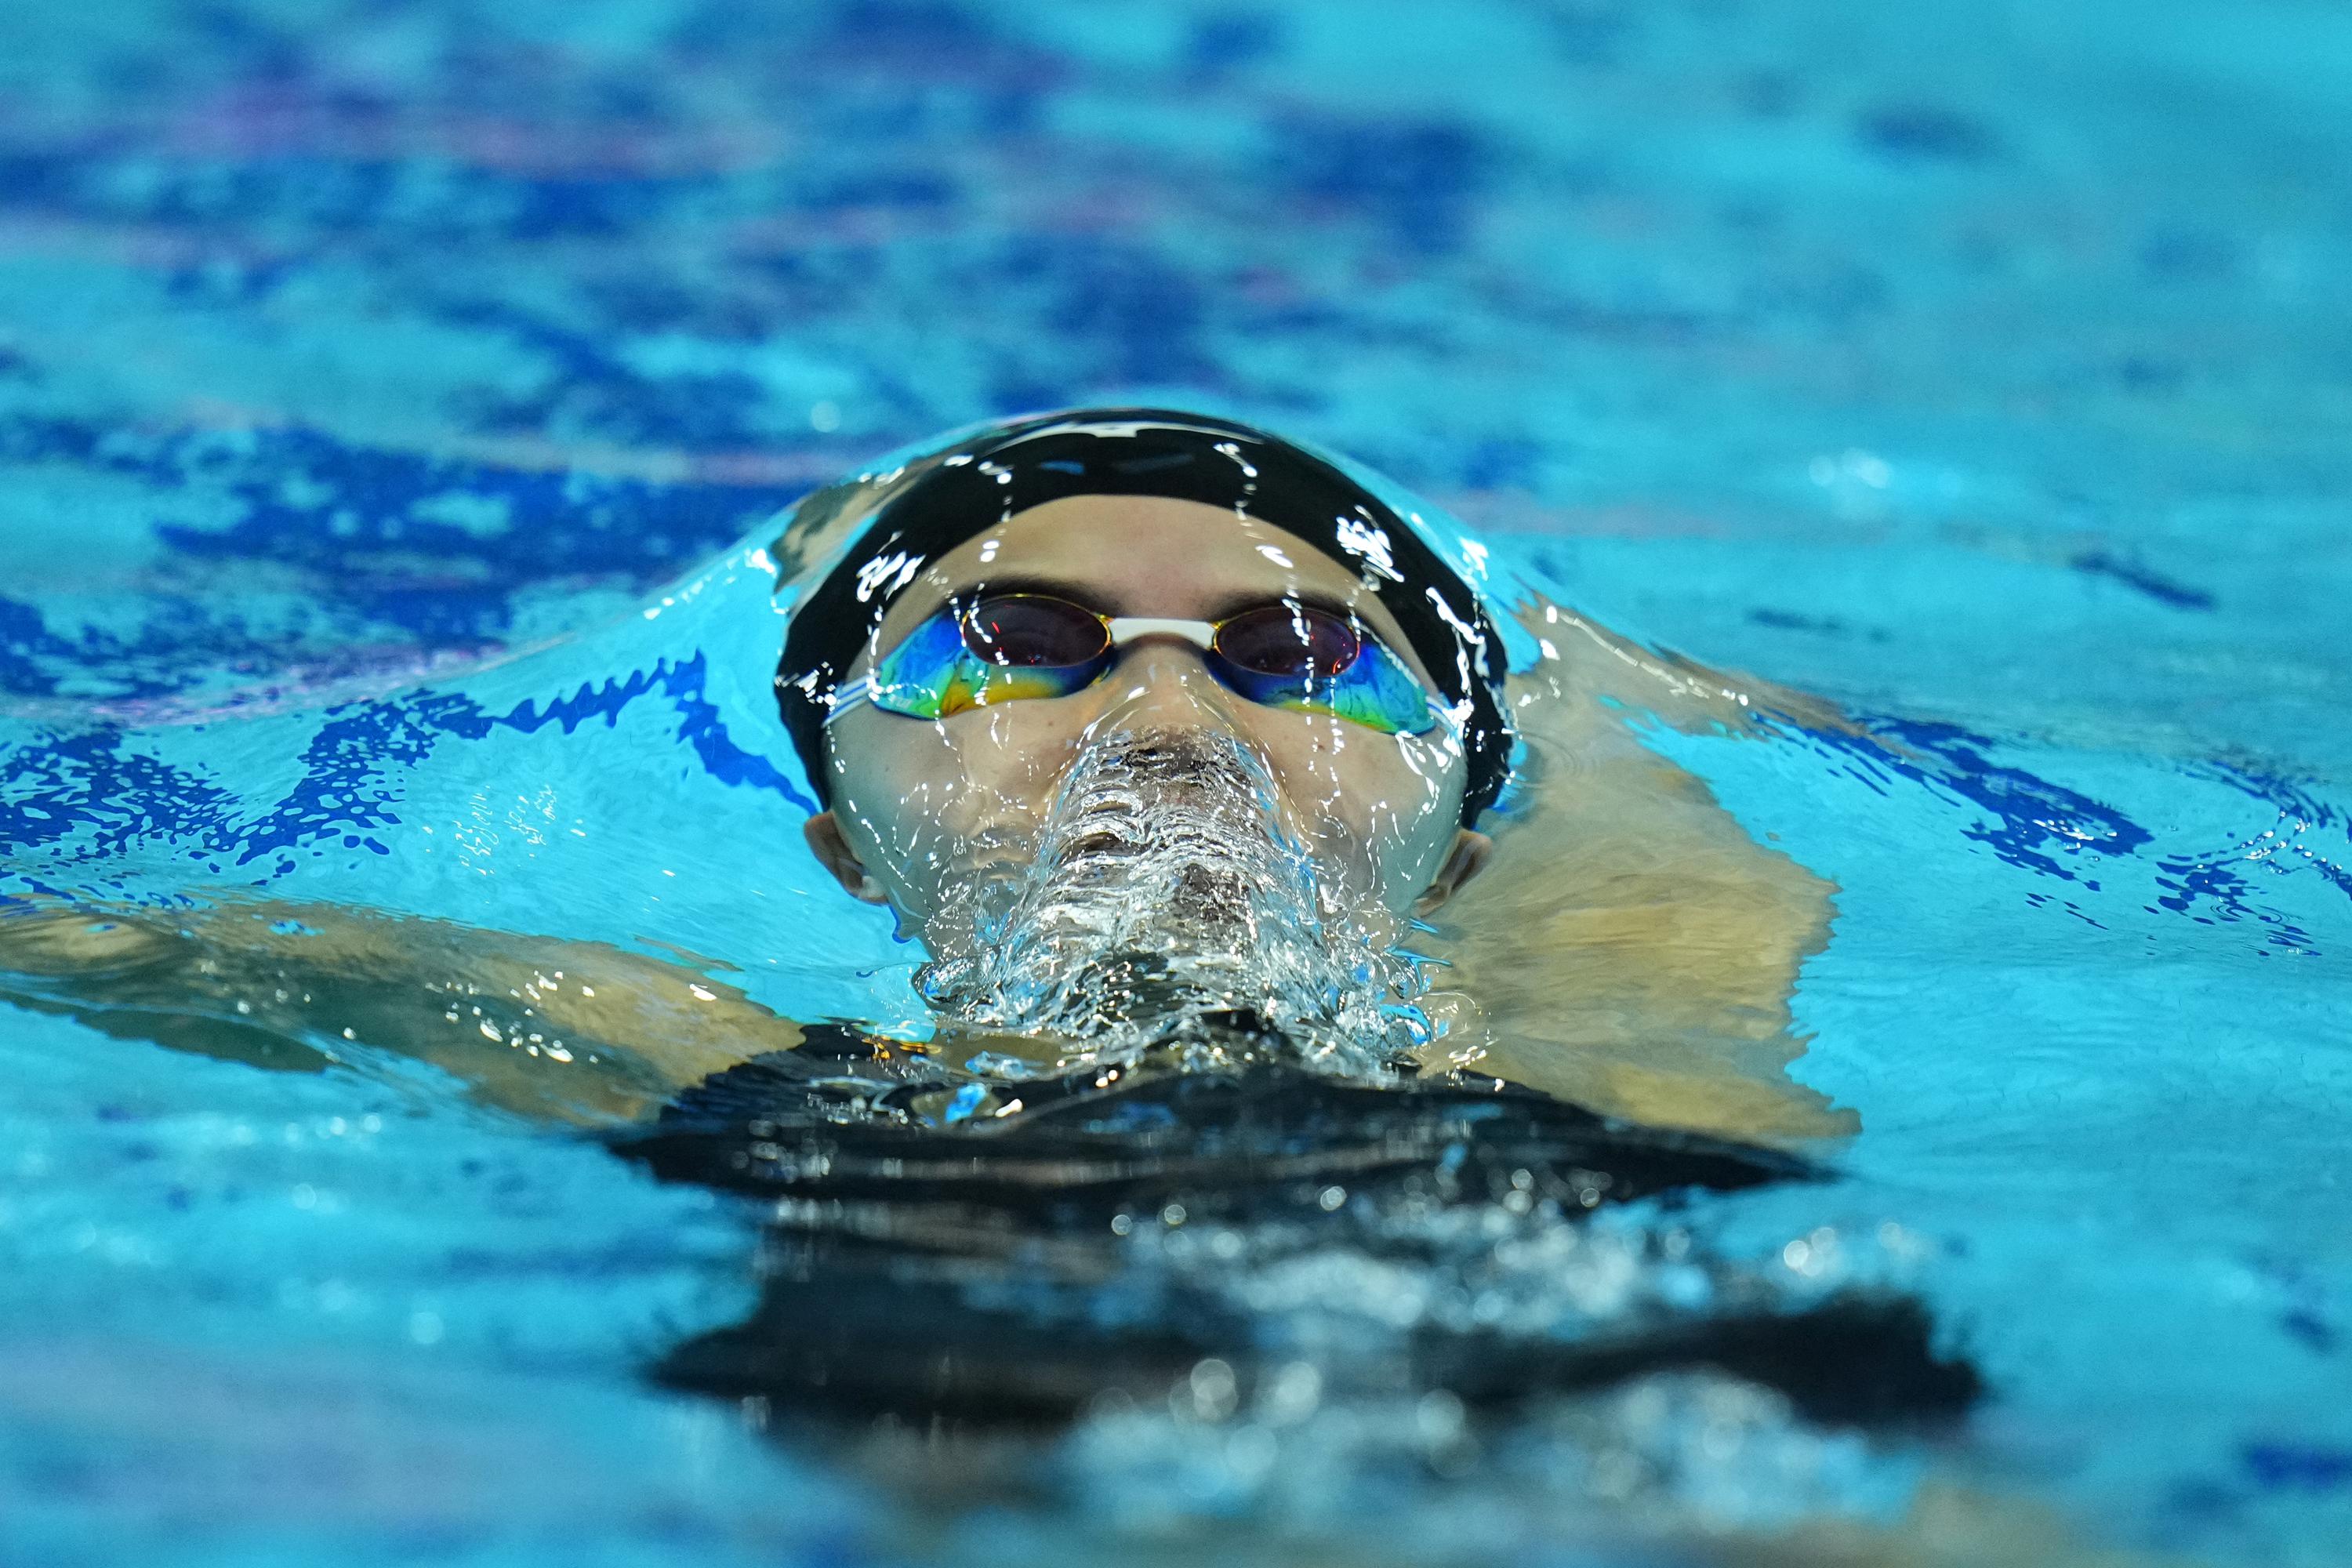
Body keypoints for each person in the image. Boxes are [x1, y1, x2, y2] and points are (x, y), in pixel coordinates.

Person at [0, 408, 1853, 1139]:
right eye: (1009, 645)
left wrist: (1564, 682)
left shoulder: (1636, 1062)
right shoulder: (705, 1075)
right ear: (844, 854)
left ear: (1458, 861)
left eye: (1296, 657)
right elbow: (103, 947)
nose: (1165, 719)